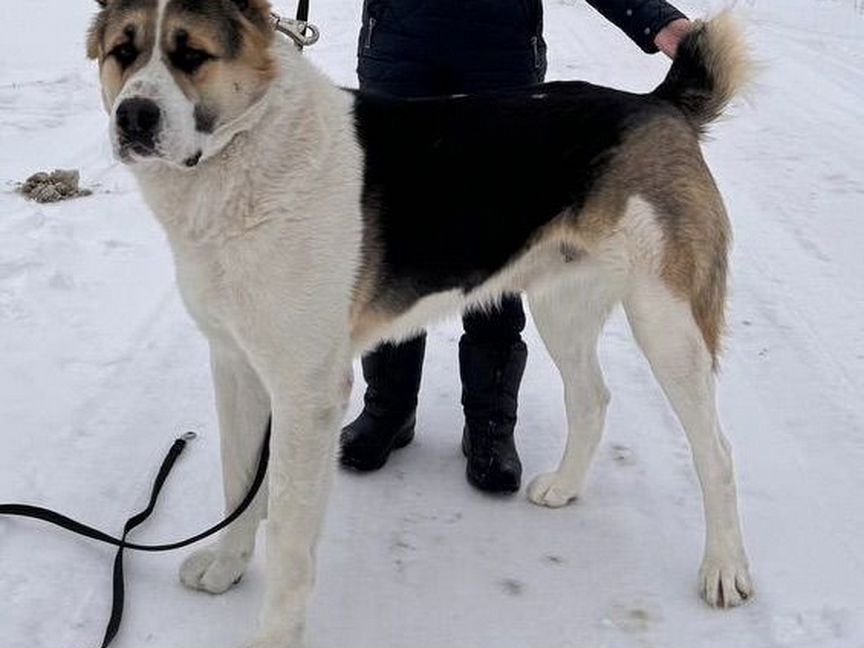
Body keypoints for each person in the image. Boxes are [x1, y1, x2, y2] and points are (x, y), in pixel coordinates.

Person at [341, 0, 691, 493]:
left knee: (503, 240)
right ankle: (388, 408)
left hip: (499, 56)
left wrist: (652, 19)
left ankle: (490, 423)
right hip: (398, 53)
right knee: (395, 241)